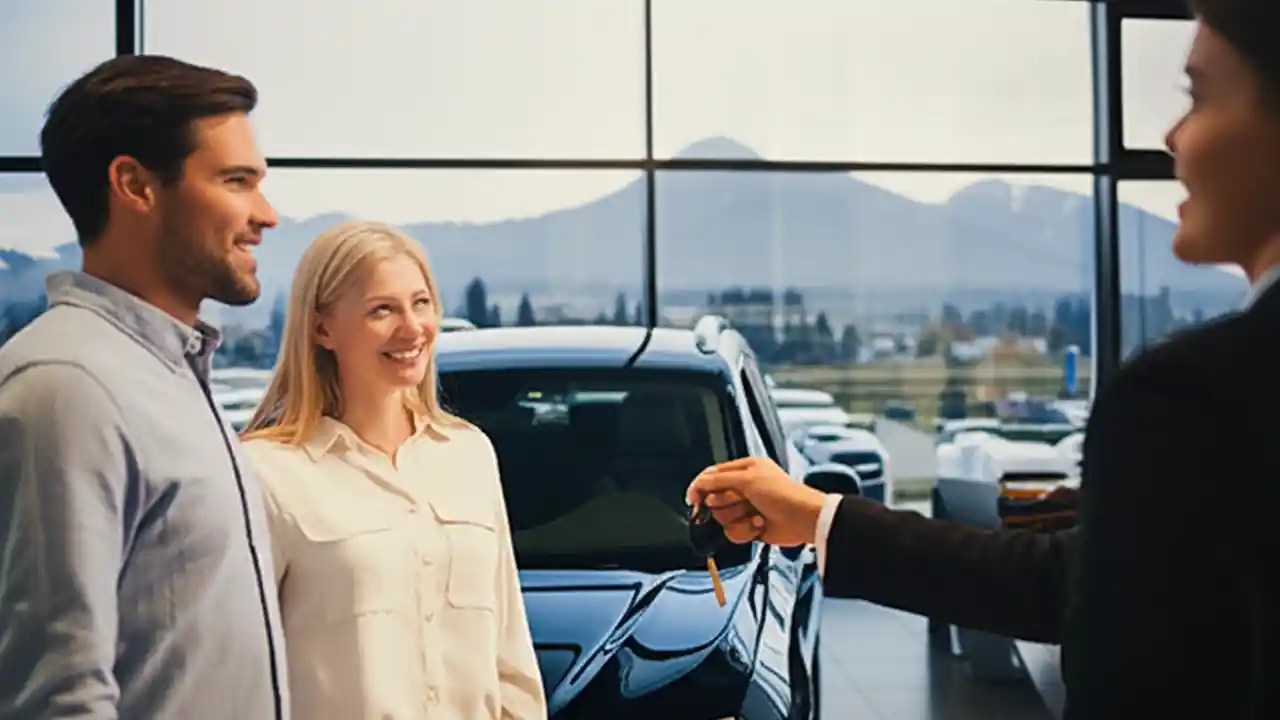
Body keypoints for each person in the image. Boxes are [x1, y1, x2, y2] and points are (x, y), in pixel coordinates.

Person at [686, 2, 1280, 717]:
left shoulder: (1186, 400)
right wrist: (819, 516)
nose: (1171, 137)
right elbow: (1075, 582)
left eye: (1198, 95)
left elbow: (1100, 624)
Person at [0, 56, 288, 718]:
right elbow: (55, 697)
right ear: (134, 185)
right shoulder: (67, 388)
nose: (266, 214)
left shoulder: (167, 372)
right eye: (236, 181)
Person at [239, 220, 546, 720]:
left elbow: (510, 659)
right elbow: (241, 674)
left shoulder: (468, 454)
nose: (412, 328)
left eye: (420, 303)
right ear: (321, 328)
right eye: (382, 309)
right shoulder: (266, 473)